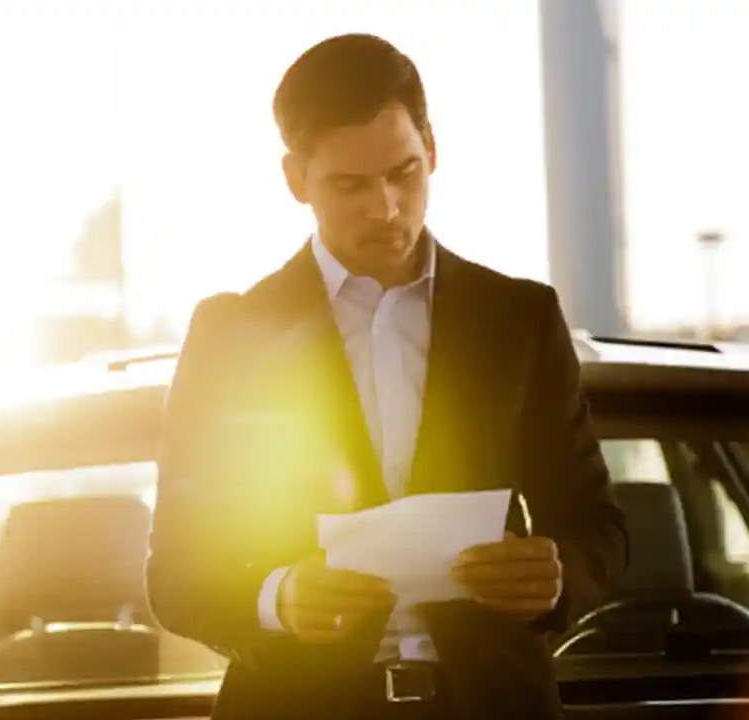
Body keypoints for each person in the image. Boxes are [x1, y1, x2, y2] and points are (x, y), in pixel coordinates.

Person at [145, 33, 628, 720]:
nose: (386, 207)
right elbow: (177, 572)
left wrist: (554, 576)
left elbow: (598, 527)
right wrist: (276, 598)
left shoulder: (519, 318)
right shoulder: (231, 337)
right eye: (350, 184)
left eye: (404, 172)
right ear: (295, 179)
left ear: (432, 148)